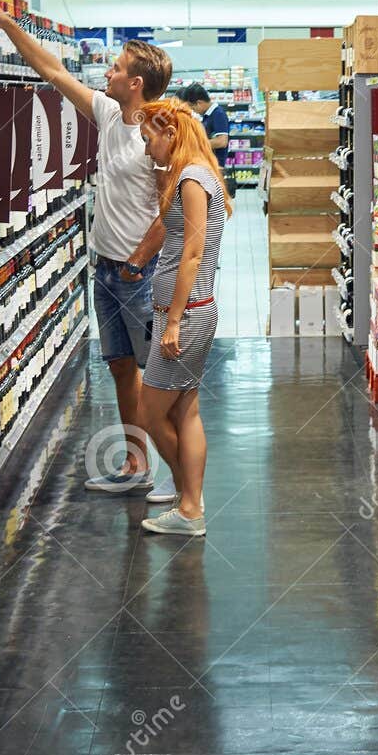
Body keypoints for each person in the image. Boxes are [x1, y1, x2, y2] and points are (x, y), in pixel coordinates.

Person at [0, 0, 177, 503]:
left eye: (116, 67)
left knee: (158, 375)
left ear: (136, 83)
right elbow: (50, 69)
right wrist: (8, 26)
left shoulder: (159, 135)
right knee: (121, 368)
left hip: (139, 271)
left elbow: (169, 212)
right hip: (106, 271)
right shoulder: (109, 113)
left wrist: (137, 262)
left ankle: (180, 477)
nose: (106, 72)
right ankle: (137, 462)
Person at [134, 98, 231, 536]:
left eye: (149, 139)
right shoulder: (193, 173)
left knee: (151, 412)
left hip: (186, 314)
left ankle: (189, 500)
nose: (146, 148)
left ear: (170, 134)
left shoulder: (193, 178)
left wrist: (172, 322)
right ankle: (190, 500)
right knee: (186, 410)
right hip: (190, 310)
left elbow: (192, 253)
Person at [183, 83, 235, 198]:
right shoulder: (207, 115)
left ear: (199, 103)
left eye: (192, 107)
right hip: (209, 165)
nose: (194, 111)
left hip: (216, 166)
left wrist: (195, 144)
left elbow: (222, 141)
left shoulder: (218, 114)